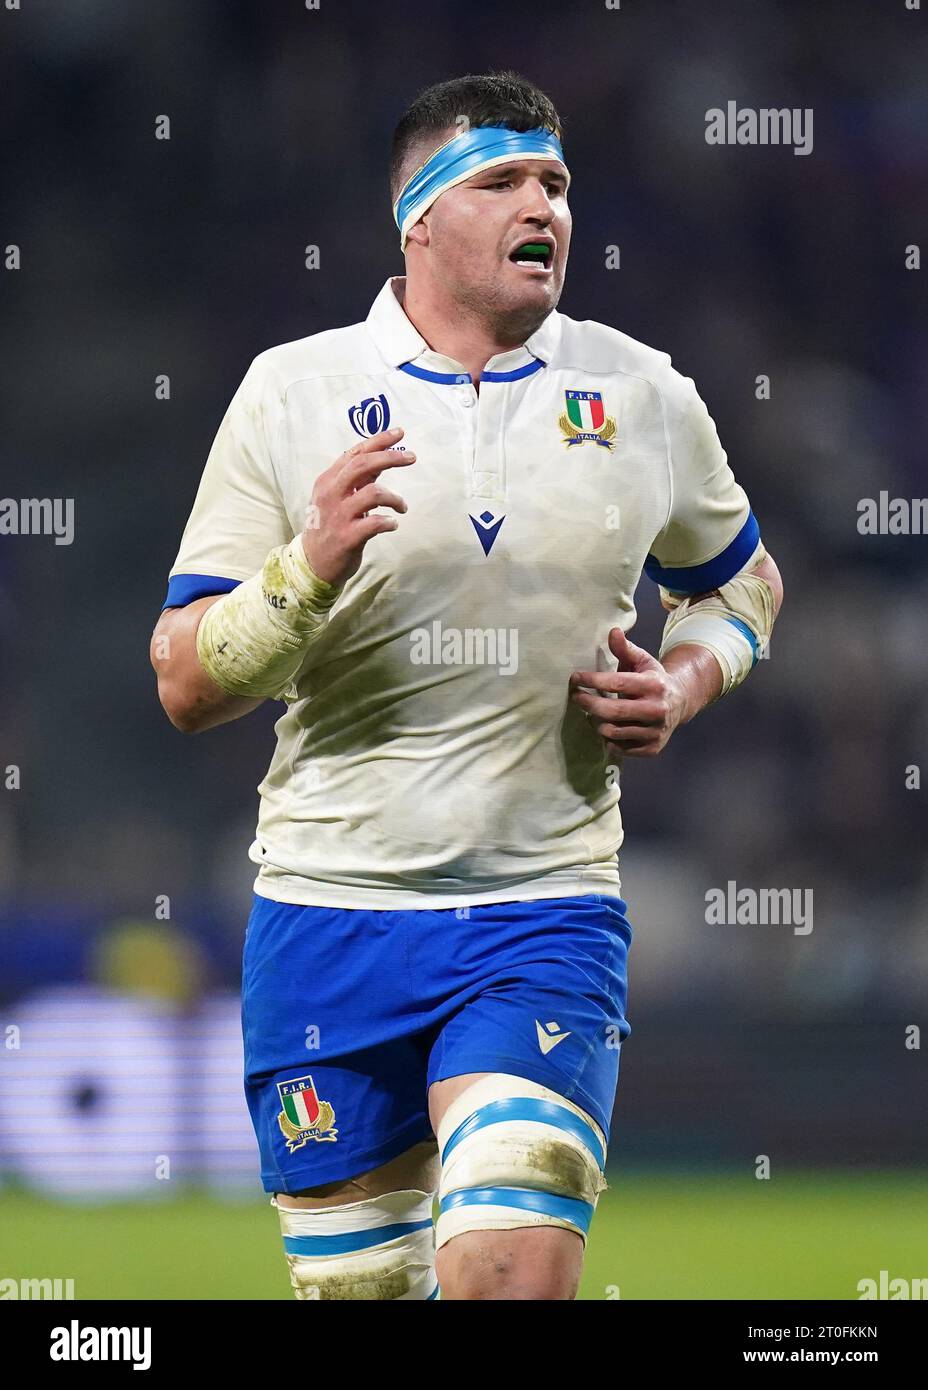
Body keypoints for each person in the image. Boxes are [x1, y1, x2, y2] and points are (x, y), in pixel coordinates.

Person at [151, 70, 783, 1301]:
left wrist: (692, 679)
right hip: (327, 918)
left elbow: (743, 583)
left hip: (539, 912)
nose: (541, 203)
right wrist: (306, 569)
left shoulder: (642, 391)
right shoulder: (293, 390)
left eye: (554, 182)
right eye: (501, 180)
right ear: (421, 219)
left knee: (508, 1270)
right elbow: (184, 683)